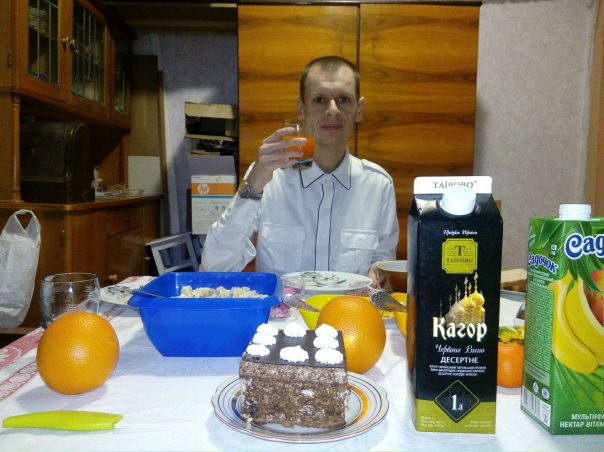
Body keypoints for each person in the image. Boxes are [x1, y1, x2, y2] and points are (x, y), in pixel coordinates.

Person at [201, 56, 399, 278]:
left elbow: (382, 263)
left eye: (343, 99)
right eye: (319, 100)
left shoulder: (378, 185)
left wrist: (378, 274)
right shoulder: (269, 177)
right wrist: (252, 188)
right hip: (282, 302)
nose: (332, 110)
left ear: (359, 109)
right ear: (301, 109)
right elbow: (215, 267)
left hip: (348, 302)